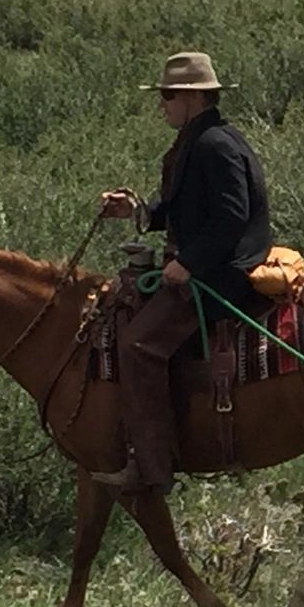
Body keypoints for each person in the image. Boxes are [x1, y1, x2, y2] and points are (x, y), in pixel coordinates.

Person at [92, 51, 273, 494]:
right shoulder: (201, 139)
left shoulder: (214, 145)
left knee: (137, 345)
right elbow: (181, 210)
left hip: (222, 274)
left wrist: (187, 264)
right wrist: (137, 211)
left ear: (192, 98)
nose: (162, 104)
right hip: (208, 264)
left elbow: (231, 218)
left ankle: (153, 469)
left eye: (168, 95)